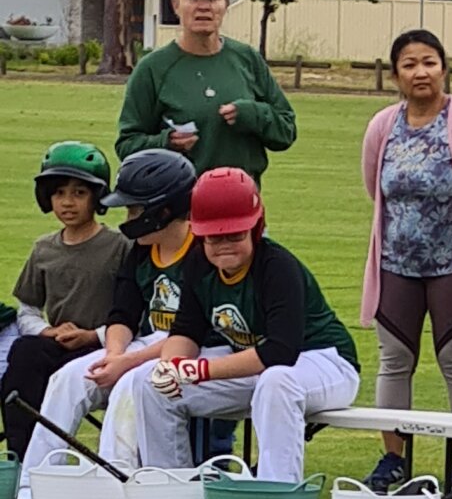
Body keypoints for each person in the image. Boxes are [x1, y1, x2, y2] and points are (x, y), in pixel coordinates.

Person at [134, 168, 360, 480]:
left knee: (277, 382)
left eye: (236, 234)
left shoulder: (277, 267)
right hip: (260, 368)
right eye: (214, 236)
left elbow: (280, 351)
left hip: (325, 362)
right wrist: (170, 366)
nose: (224, 244)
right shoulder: (200, 263)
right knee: (151, 385)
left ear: (255, 228)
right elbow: (187, 330)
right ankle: (171, 497)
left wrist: (198, 371)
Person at [360, 28, 452, 497]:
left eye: (429, 62)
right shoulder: (383, 126)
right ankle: (393, 458)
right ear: (396, 74)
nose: (420, 72)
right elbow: (374, 186)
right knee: (394, 359)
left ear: (445, 68)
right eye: (409, 64)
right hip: (395, 264)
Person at [18, 148, 201, 487]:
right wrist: (115, 355)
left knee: (130, 386)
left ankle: (115, 487)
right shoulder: (144, 249)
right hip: (146, 344)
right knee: (69, 378)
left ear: (164, 209)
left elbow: (192, 332)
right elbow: (124, 314)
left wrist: (126, 363)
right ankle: (31, 491)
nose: (128, 217)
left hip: (194, 348)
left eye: (135, 208)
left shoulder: (202, 250)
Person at [115, 0, 297, 181]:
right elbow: (126, 146)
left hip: (241, 205)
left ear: (225, 4)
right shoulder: (153, 68)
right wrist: (166, 142)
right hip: (179, 207)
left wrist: (253, 114)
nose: (203, 6)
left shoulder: (246, 59)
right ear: (175, 4)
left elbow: (286, 132)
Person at [2, 142, 129, 461]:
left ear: (97, 198)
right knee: (24, 352)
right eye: (59, 193)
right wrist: (48, 331)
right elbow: (28, 309)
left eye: (79, 193)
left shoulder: (119, 247)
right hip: (56, 345)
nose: (67, 203)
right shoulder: (44, 249)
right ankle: (22, 458)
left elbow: (132, 311)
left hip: (104, 346)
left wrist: (93, 335)